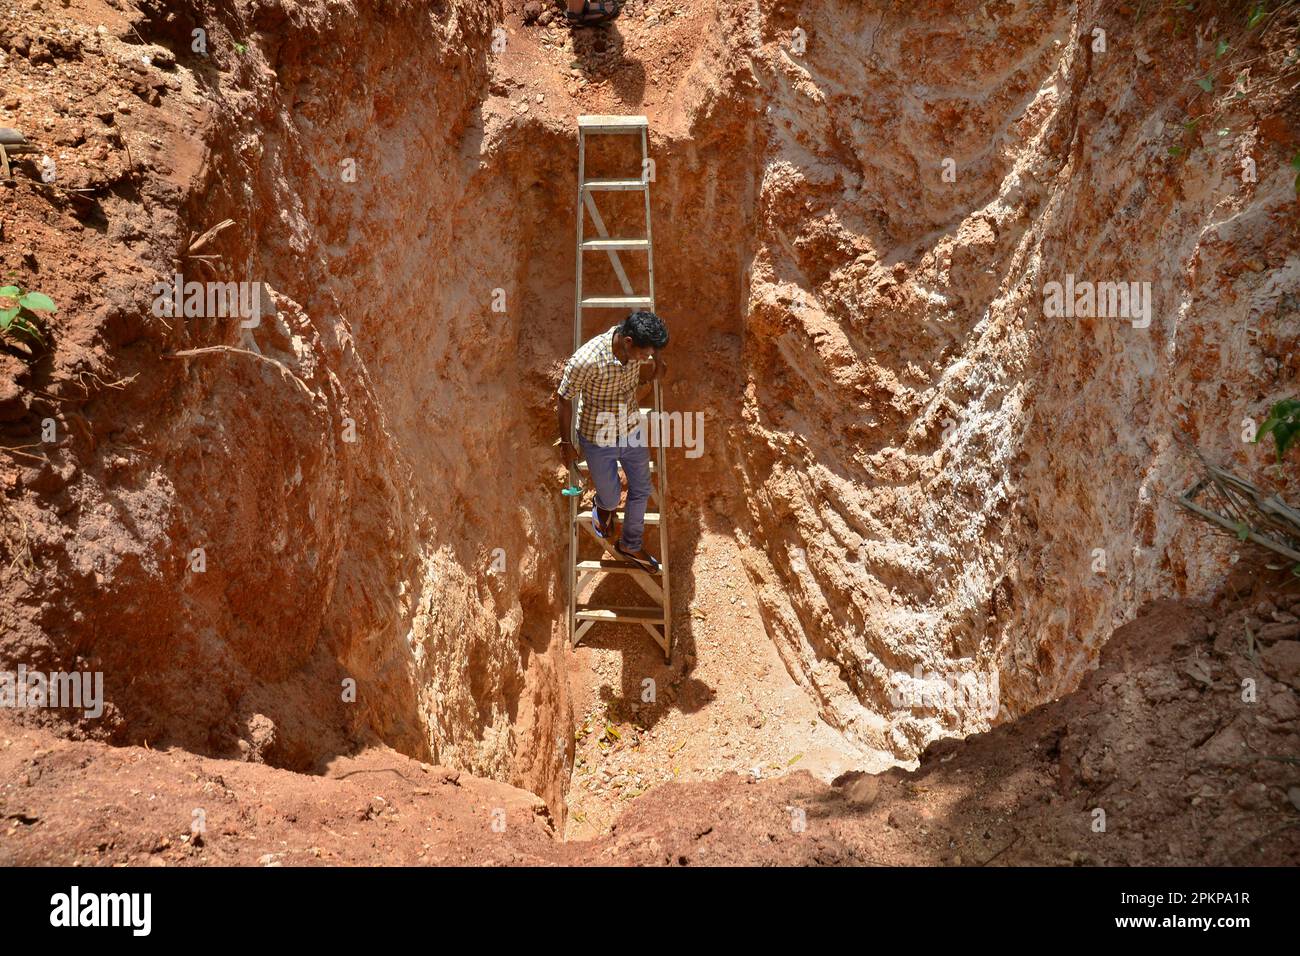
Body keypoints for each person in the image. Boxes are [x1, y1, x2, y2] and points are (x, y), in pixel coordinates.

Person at [557, 311, 668, 572]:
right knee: (611, 497)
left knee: (642, 488)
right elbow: (563, 398)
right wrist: (565, 444)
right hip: (598, 436)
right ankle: (602, 507)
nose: (646, 358)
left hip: (630, 428)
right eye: (644, 354)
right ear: (627, 341)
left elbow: (642, 366)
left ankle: (630, 544)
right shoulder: (587, 360)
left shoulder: (635, 350)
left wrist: (655, 365)